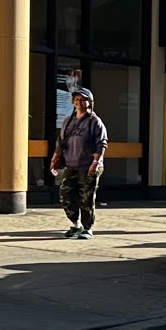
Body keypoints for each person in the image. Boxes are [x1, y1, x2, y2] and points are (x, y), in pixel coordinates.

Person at [50, 87, 107, 239]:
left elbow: (101, 143)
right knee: (65, 195)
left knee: (86, 198)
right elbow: (61, 142)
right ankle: (76, 225)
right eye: (76, 99)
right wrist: (55, 159)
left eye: (82, 100)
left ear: (90, 103)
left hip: (88, 165)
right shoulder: (68, 121)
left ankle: (87, 228)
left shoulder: (94, 121)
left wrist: (95, 163)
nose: (79, 102)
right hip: (71, 165)